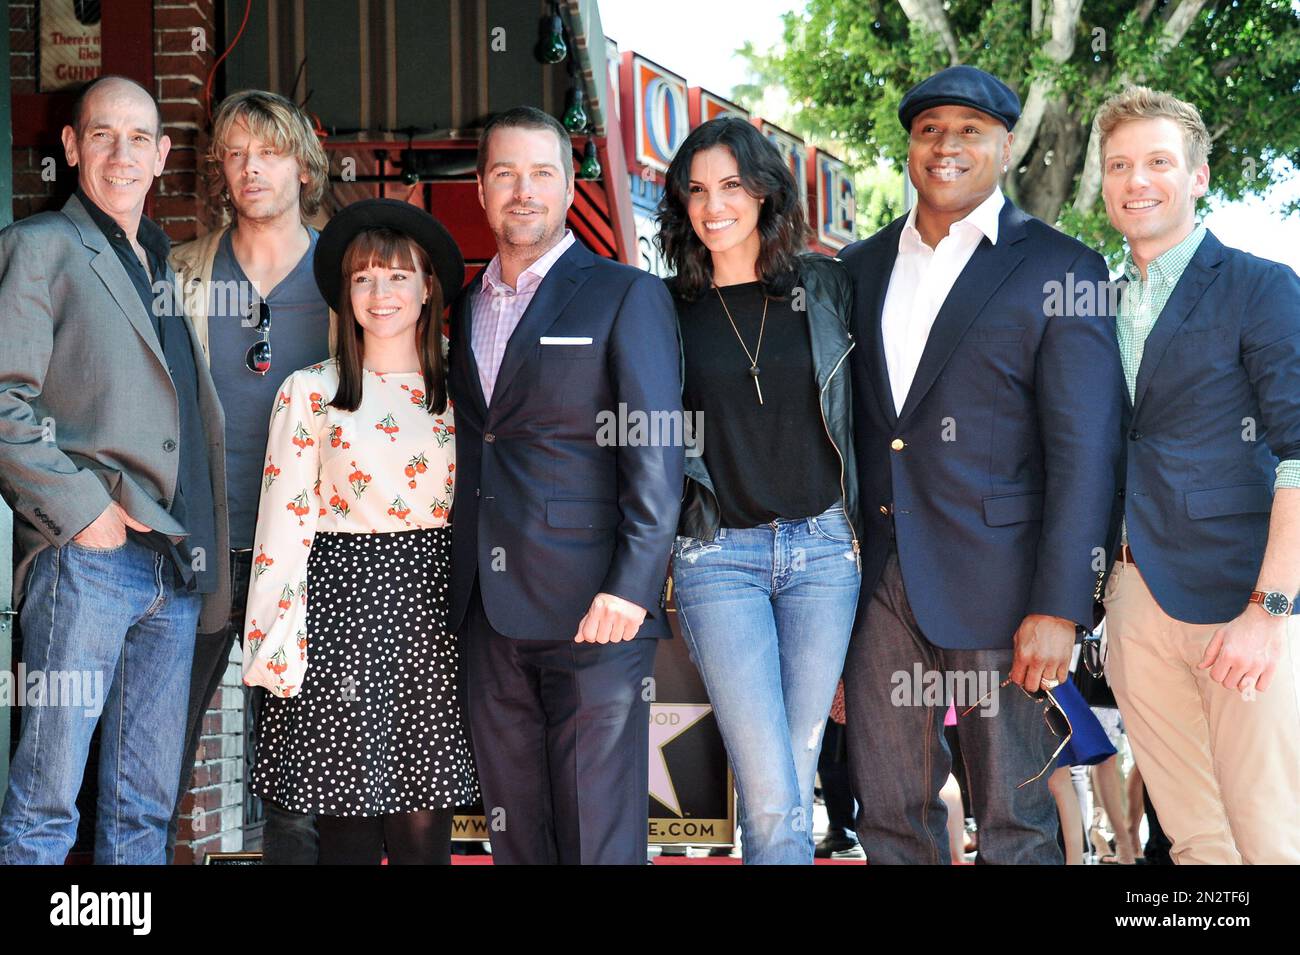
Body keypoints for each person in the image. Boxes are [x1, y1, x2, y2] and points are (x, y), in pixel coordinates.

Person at [839, 65, 1124, 864]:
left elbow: (1088, 448)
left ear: (1005, 145)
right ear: (908, 147)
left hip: (1007, 594)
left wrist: (1062, 605)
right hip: (876, 589)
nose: (947, 145)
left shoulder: (1063, 270)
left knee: (1017, 821)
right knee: (890, 816)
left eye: (970, 130)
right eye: (930, 130)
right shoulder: (854, 268)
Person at [0, 75, 230, 864]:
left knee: (142, 813)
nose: (121, 153)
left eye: (140, 138)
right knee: (45, 805)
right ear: (71, 147)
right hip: (87, 562)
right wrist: (86, 514)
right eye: (102, 134)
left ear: (164, 155)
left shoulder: (159, 264)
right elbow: (3, 401)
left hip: (170, 570)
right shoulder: (38, 248)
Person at [447, 106, 684, 865]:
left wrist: (633, 586)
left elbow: (656, 448)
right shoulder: (462, 306)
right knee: (515, 832)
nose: (524, 190)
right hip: (488, 611)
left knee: (597, 835)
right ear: (482, 188)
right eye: (506, 173)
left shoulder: (623, 292)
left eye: (542, 173)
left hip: (596, 610)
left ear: (569, 184)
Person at [1096, 86, 1300, 864]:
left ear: (1199, 176)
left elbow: (1298, 450)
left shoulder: (1260, 284)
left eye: (1157, 161)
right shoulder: (1098, 304)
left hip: (1240, 600)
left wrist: (1269, 610)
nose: (1136, 179)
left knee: (1272, 834)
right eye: (1119, 164)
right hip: (1136, 603)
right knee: (1195, 841)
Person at [241, 198, 477, 864]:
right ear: (344, 292)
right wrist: (272, 643)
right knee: (343, 819)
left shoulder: (467, 387)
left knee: (423, 822)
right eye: (364, 277)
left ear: (428, 287)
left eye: (399, 275)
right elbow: (282, 527)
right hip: (339, 614)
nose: (382, 293)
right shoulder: (309, 393)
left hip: (436, 618)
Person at [655, 117, 861, 864]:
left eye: (732, 186)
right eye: (697, 190)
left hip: (824, 554)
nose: (714, 206)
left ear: (766, 192)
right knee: (772, 785)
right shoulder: (664, 309)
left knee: (795, 771)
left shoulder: (827, 288)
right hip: (718, 557)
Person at [166, 88, 332, 864]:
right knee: (155, 759)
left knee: (296, 784)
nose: (250, 168)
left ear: (302, 164)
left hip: (302, 558)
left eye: (267, 152)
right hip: (193, 550)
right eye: (234, 155)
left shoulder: (349, 273)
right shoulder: (181, 269)